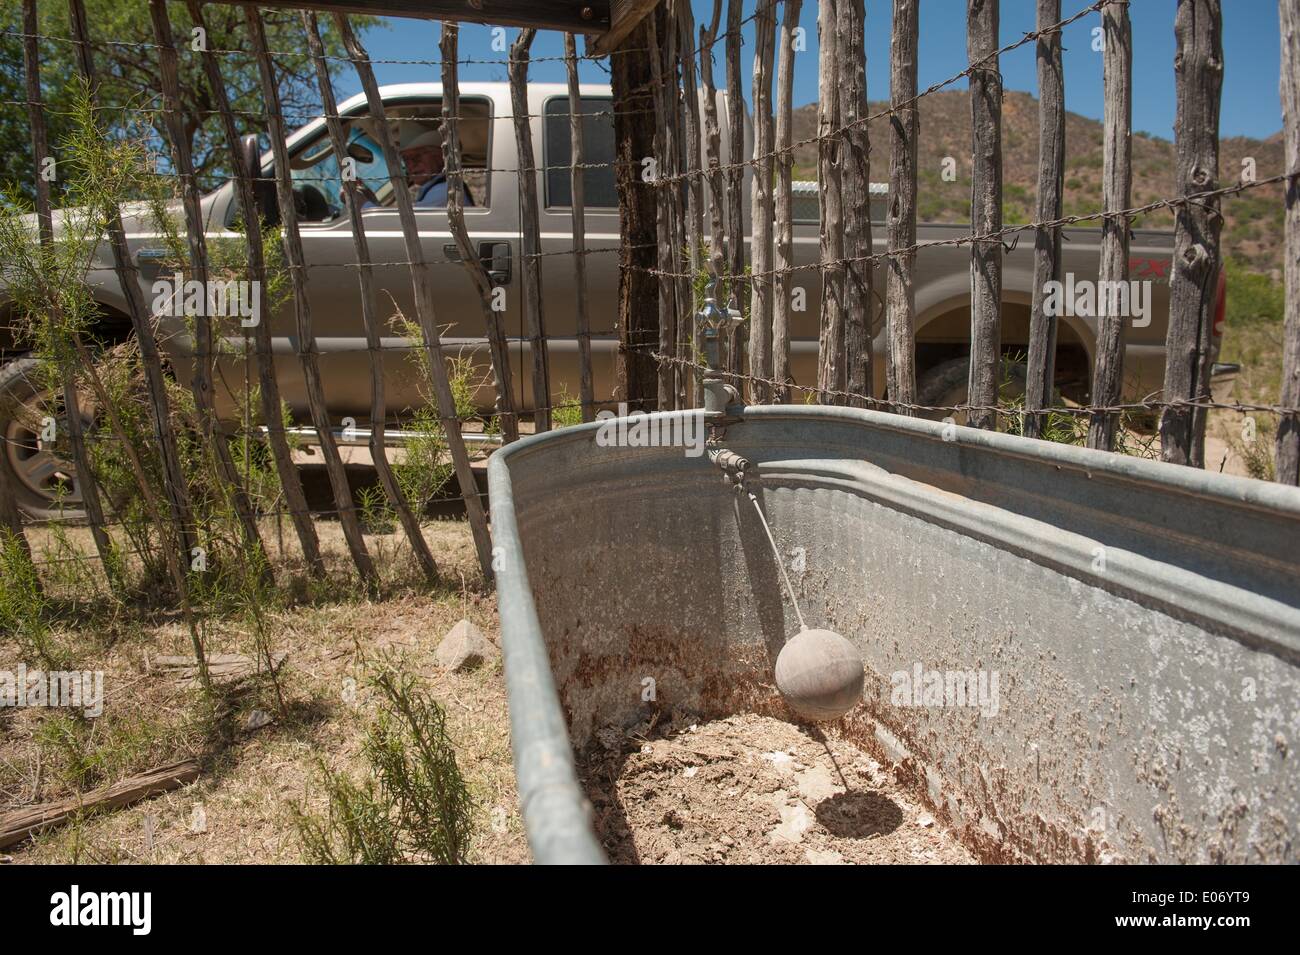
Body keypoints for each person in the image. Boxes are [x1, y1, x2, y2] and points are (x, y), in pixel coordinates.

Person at [367, 124, 474, 208]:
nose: (411, 164)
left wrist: (361, 202)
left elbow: (406, 226)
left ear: (441, 157)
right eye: (406, 159)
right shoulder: (442, 187)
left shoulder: (445, 190)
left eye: (417, 156)